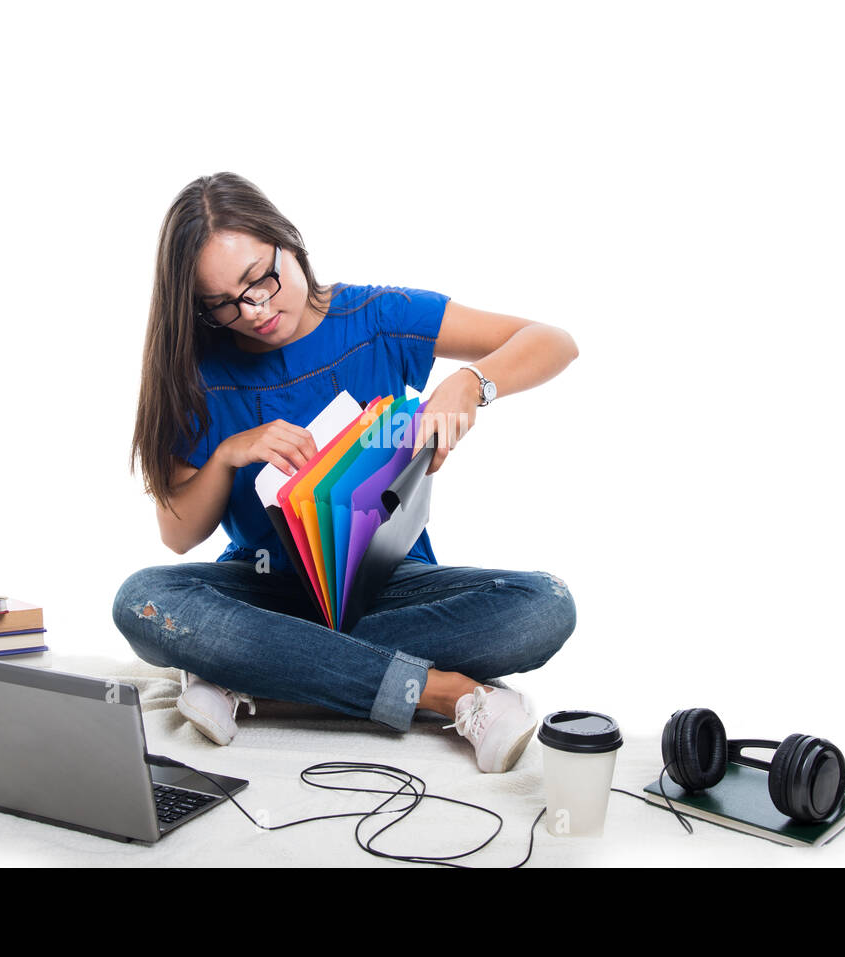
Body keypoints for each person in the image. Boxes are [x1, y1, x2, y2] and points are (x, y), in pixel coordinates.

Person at [112, 172, 579, 773]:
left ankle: (258, 674)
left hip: (388, 586)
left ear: (288, 240)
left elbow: (553, 340)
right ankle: (447, 692)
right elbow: (177, 535)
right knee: (142, 601)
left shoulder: (376, 317)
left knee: (545, 607)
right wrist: (230, 453)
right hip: (264, 589)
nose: (254, 309)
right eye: (224, 303)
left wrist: (471, 382)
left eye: (260, 277)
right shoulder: (197, 371)